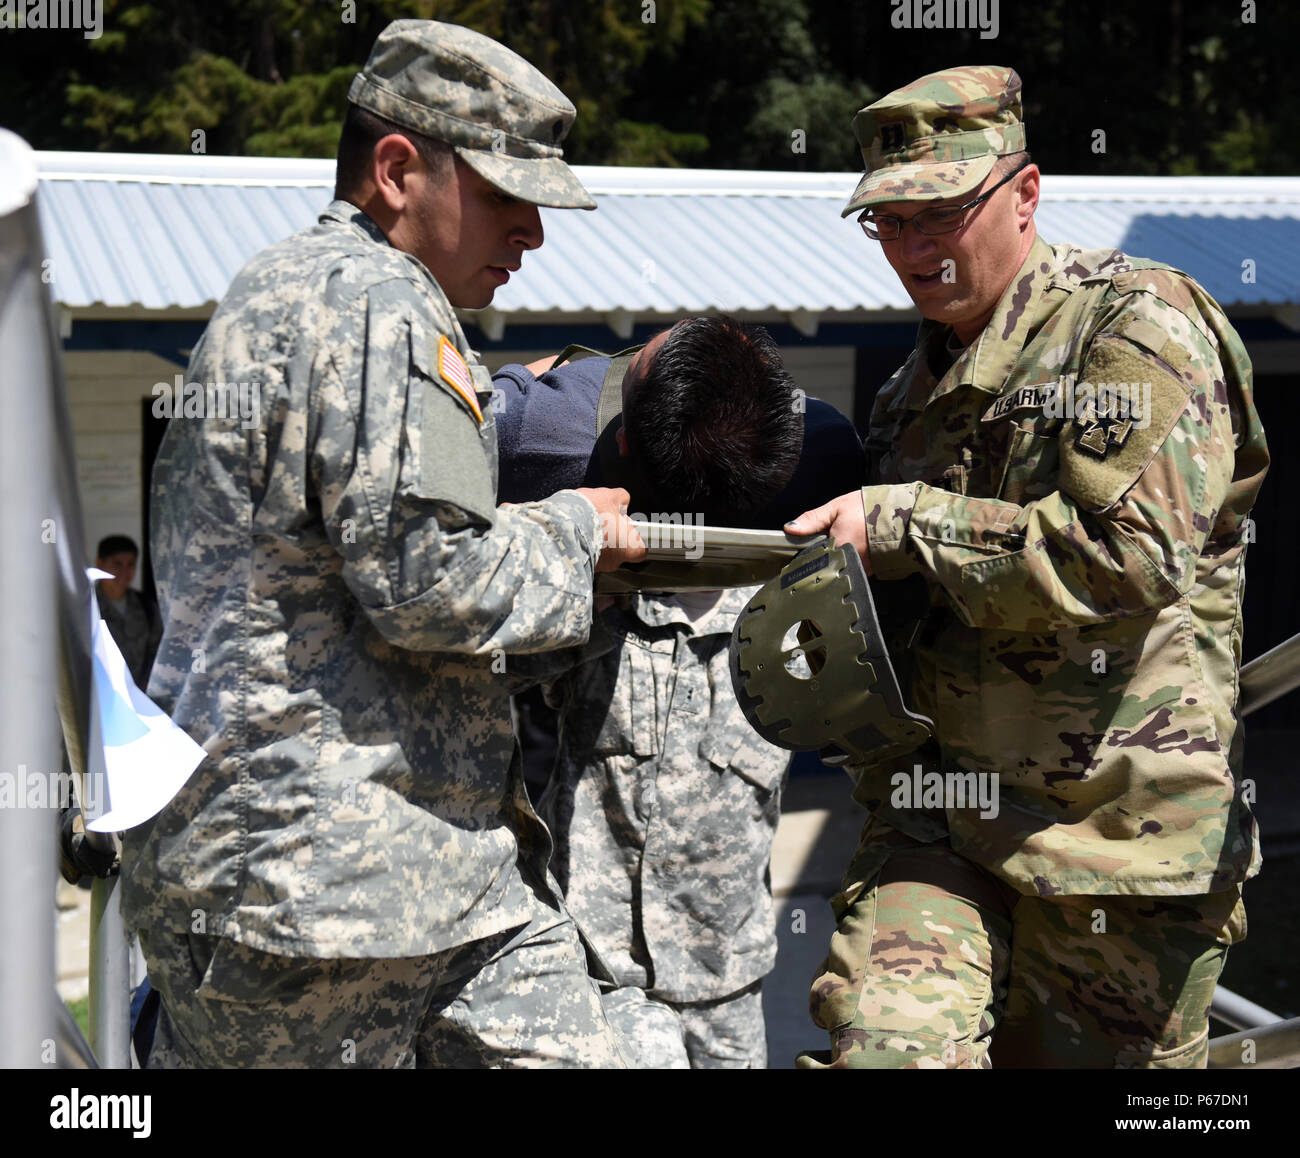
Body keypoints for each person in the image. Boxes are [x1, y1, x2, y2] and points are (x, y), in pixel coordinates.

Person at [120, 19, 645, 1069]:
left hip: (410, 873)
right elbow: (430, 580)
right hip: (318, 893)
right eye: (506, 196)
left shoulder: (286, 287)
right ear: (399, 170)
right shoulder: (376, 304)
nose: (533, 234)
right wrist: (579, 529)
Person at [785, 66, 1268, 1068]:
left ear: (1026, 192)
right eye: (889, 223)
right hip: (940, 829)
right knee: (881, 1049)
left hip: (1118, 854)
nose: (915, 248)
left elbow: (1125, 559)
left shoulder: (1134, 324)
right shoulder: (908, 393)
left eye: (941, 212)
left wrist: (904, 523)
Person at [496, 318, 864, 1067]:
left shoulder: (789, 626)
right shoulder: (601, 605)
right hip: (596, 970)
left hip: (726, 973)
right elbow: (491, 668)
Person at [93, 534, 162, 690]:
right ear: (100, 564)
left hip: (137, 699)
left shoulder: (146, 607)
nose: (124, 571)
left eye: (130, 564)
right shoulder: (86, 608)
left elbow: (156, 653)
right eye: (117, 564)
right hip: (98, 700)